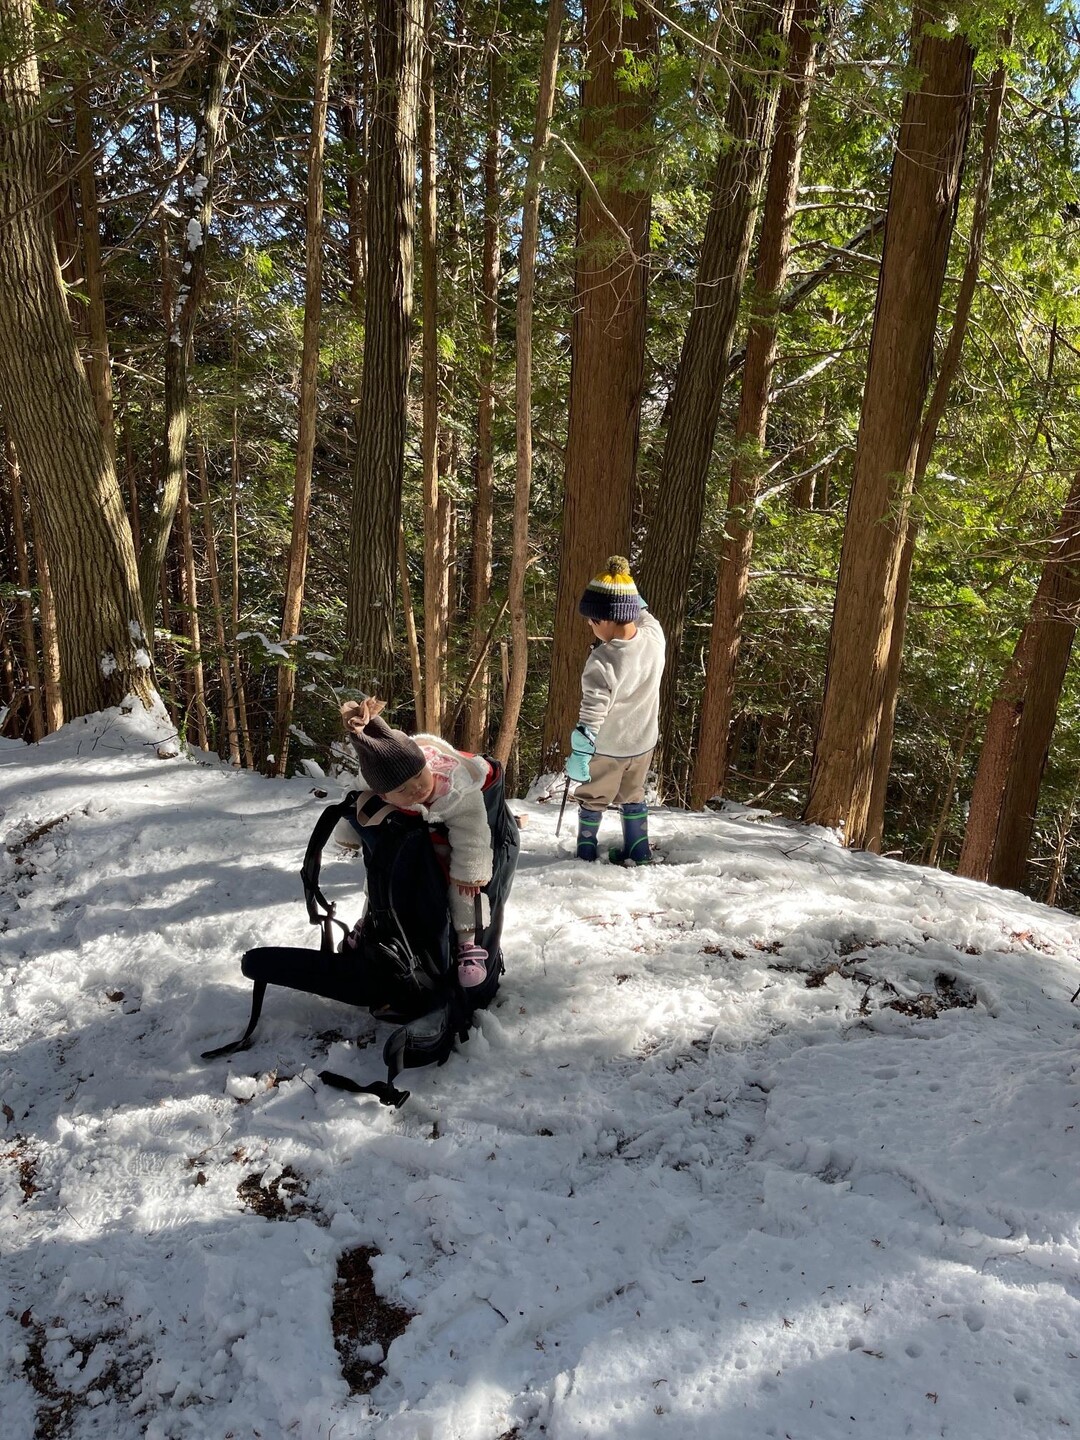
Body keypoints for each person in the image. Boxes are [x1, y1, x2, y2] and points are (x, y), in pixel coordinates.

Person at [341, 698, 494, 987]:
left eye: (418, 776)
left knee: (465, 892)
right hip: (407, 851)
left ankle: (468, 944)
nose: (417, 788)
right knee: (379, 881)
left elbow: (474, 830)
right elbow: (356, 801)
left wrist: (470, 872)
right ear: (383, 794)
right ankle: (370, 924)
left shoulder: (455, 788)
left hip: (452, 854)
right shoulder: (374, 782)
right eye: (402, 789)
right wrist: (347, 834)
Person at [564, 556, 666, 864]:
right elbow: (644, 614)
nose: (590, 625)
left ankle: (585, 851)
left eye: (593, 620)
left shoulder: (603, 660)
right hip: (643, 743)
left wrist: (581, 750)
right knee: (632, 794)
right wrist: (625, 588)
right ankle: (638, 849)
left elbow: (593, 710)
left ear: (607, 620)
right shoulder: (654, 637)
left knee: (594, 795)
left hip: (609, 747)